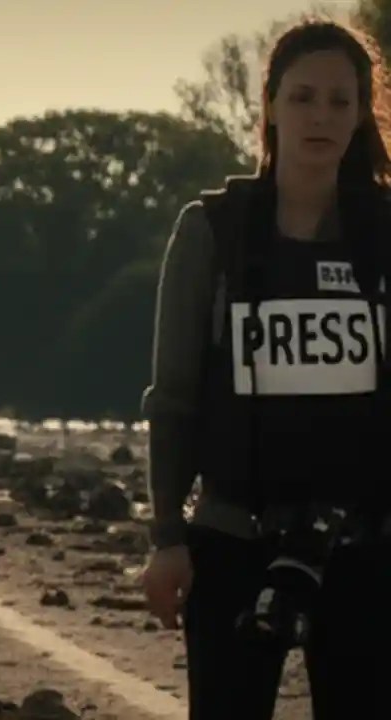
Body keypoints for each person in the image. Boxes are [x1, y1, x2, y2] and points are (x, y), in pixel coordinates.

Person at [139, 17, 391, 720]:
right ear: (272, 106)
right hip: (232, 538)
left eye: (340, 100)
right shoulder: (211, 231)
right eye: (303, 97)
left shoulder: (384, 234)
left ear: (361, 114)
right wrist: (166, 538)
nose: (321, 116)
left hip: (365, 548)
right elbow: (173, 399)